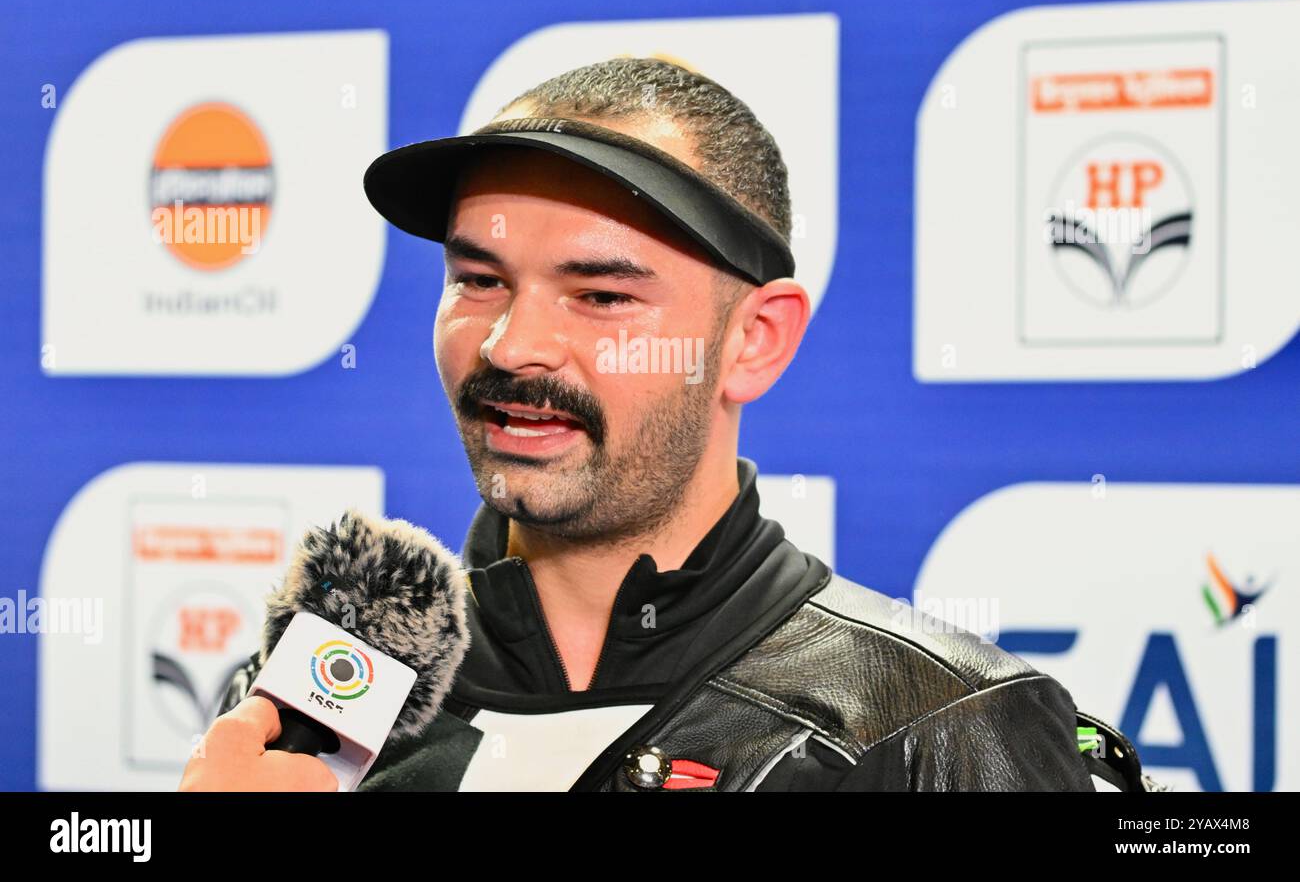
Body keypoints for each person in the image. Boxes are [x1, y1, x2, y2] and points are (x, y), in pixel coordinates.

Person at [184, 57, 1097, 791]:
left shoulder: (942, 729)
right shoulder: (315, 695)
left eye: (602, 293)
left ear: (755, 341)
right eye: (479, 280)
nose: (512, 347)